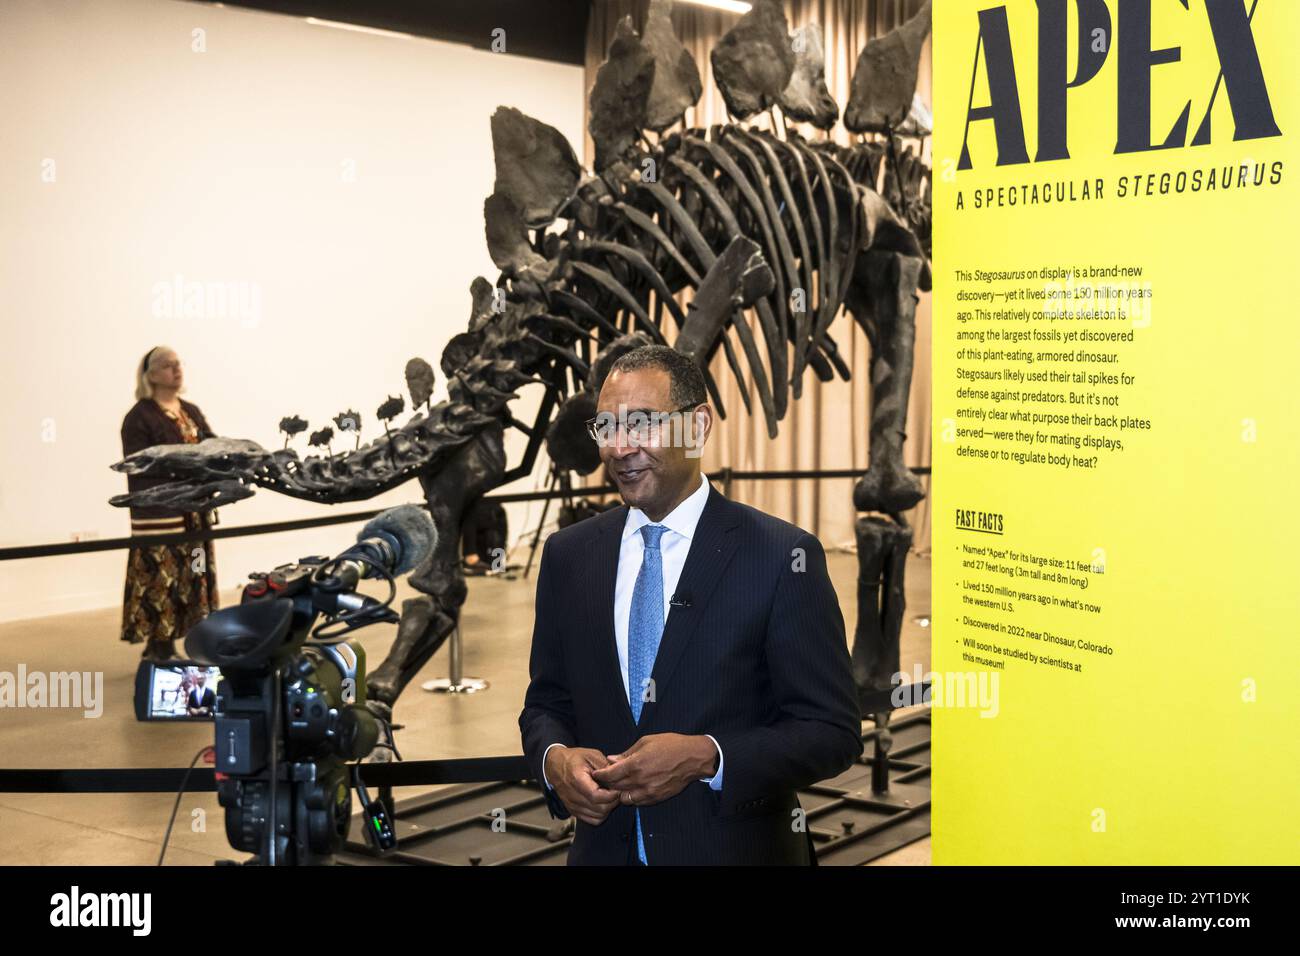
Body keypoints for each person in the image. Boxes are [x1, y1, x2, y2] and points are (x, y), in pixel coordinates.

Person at [518, 345, 863, 865]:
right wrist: (554, 761)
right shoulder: (569, 556)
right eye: (606, 427)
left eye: (642, 423)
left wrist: (709, 757)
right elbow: (546, 703)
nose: (619, 448)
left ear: (697, 426)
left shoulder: (780, 557)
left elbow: (831, 733)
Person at [120, 346, 219, 661]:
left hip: (195, 514)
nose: (176, 370)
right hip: (160, 515)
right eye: (166, 365)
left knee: (193, 575)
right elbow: (140, 466)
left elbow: (209, 444)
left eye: (178, 364)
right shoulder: (139, 417)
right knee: (162, 582)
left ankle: (186, 640)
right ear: (150, 374)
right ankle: (160, 644)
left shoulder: (189, 409)